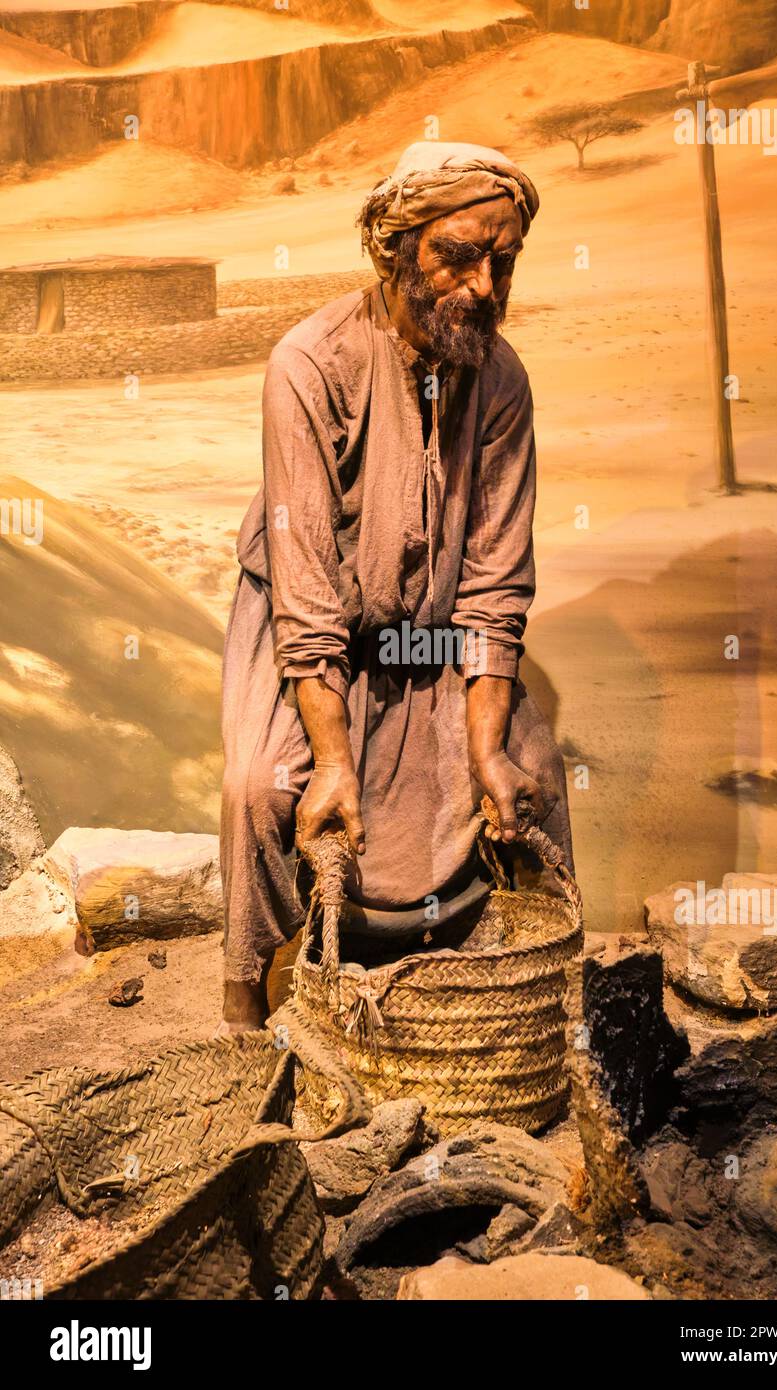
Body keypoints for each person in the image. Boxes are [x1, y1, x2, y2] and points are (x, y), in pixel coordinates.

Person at [218, 141, 573, 1034]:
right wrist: (332, 760)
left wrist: (489, 745)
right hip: (314, 635)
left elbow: (494, 584)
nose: (484, 287)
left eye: (503, 260)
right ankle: (247, 1012)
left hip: (432, 636)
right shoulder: (308, 365)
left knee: (535, 775)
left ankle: (531, 1013)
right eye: (457, 255)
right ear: (394, 250)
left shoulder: (502, 381)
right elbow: (303, 593)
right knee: (263, 789)